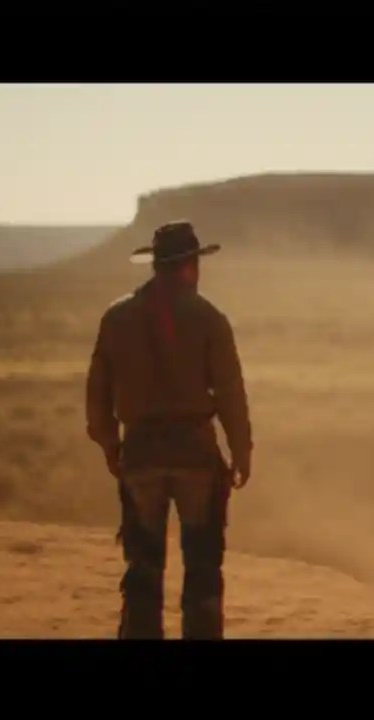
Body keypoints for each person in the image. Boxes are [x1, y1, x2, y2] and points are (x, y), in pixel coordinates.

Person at [85, 220, 253, 640]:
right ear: (191, 265)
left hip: (141, 455)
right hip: (195, 455)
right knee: (202, 567)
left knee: (142, 570)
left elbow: (97, 394)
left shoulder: (117, 317)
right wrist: (241, 450)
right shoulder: (210, 318)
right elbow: (230, 392)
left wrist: (111, 446)